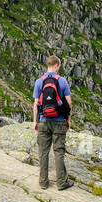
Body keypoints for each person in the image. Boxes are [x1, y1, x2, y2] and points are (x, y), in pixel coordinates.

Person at [32, 55, 74, 190]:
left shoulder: (39, 81)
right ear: (56, 65)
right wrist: (68, 120)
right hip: (59, 121)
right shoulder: (62, 81)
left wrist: (35, 121)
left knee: (43, 152)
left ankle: (43, 182)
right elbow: (69, 103)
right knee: (59, 151)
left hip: (43, 120)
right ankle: (61, 182)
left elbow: (36, 104)